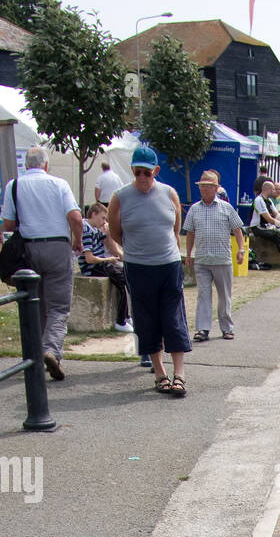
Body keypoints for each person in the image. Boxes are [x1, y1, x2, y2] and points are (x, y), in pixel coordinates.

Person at [107, 144, 191, 397]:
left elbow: (175, 229)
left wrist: (170, 251)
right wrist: (135, 250)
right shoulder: (120, 197)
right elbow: (115, 232)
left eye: (148, 173)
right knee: (146, 318)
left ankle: (179, 374)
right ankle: (159, 373)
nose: (143, 178)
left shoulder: (169, 194)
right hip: (138, 266)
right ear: (133, 171)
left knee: (173, 317)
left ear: (156, 171)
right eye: (138, 172)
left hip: (168, 264)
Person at [1, 144, 82, 380]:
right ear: (46, 165)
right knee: (58, 306)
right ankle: (51, 349)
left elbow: (8, 224)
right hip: (57, 246)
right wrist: (77, 241)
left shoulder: (14, 185)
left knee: (34, 304)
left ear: (26, 165)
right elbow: (75, 216)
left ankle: (35, 357)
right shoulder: (59, 184)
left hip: (27, 250)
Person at [183, 169, 245, 342]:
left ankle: (226, 327)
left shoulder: (226, 208)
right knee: (203, 294)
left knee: (224, 296)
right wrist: (188, 254)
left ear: (216, 188)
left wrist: (241, 249)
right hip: (202, 259)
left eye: (208, 186)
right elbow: (190, 233)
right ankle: (202, 328)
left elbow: (237, 229)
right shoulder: (195, 209)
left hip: (222, 259)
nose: (204, 189)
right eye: (202, 186)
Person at [78, 201, 133, 332]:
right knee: (122, 281)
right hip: (93, 267)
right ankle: (121, 320)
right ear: (93, 214)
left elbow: (106, 239)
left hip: (102, 263)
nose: (104, 222)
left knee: (127, 275)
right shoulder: (86, 230)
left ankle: (126, 316)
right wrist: (108, 259)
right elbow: (89, 258)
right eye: (103, 218)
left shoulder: (94, 229)